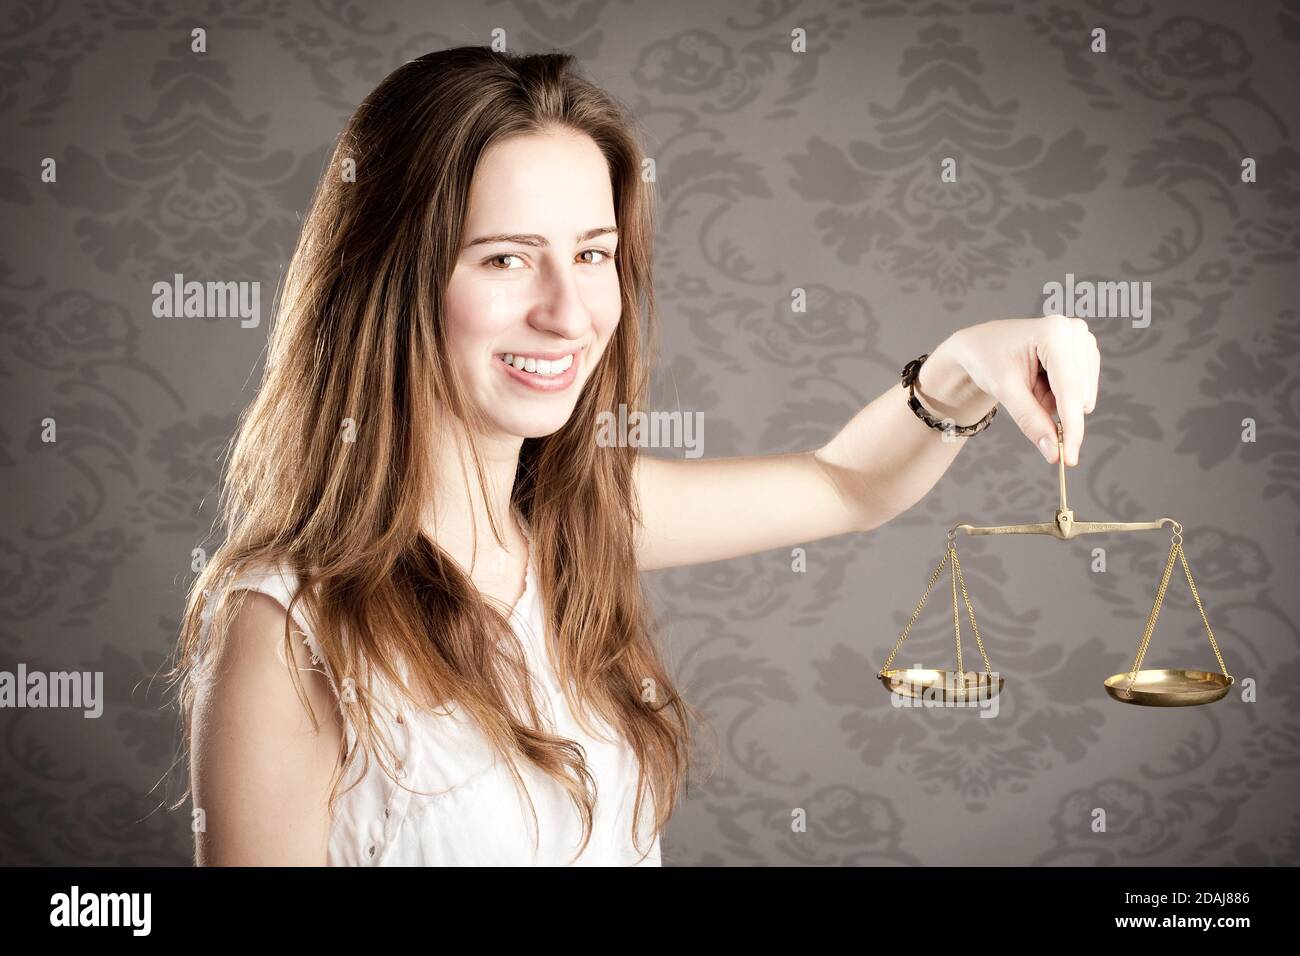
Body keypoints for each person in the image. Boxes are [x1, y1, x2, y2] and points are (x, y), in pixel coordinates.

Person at [168, 46, 1099, 866]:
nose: (568, 315)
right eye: (503, 259)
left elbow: (845, 484)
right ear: (390, 277)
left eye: (593, 254)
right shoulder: (290, 632)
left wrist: (965, 362)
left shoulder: (573, 523)